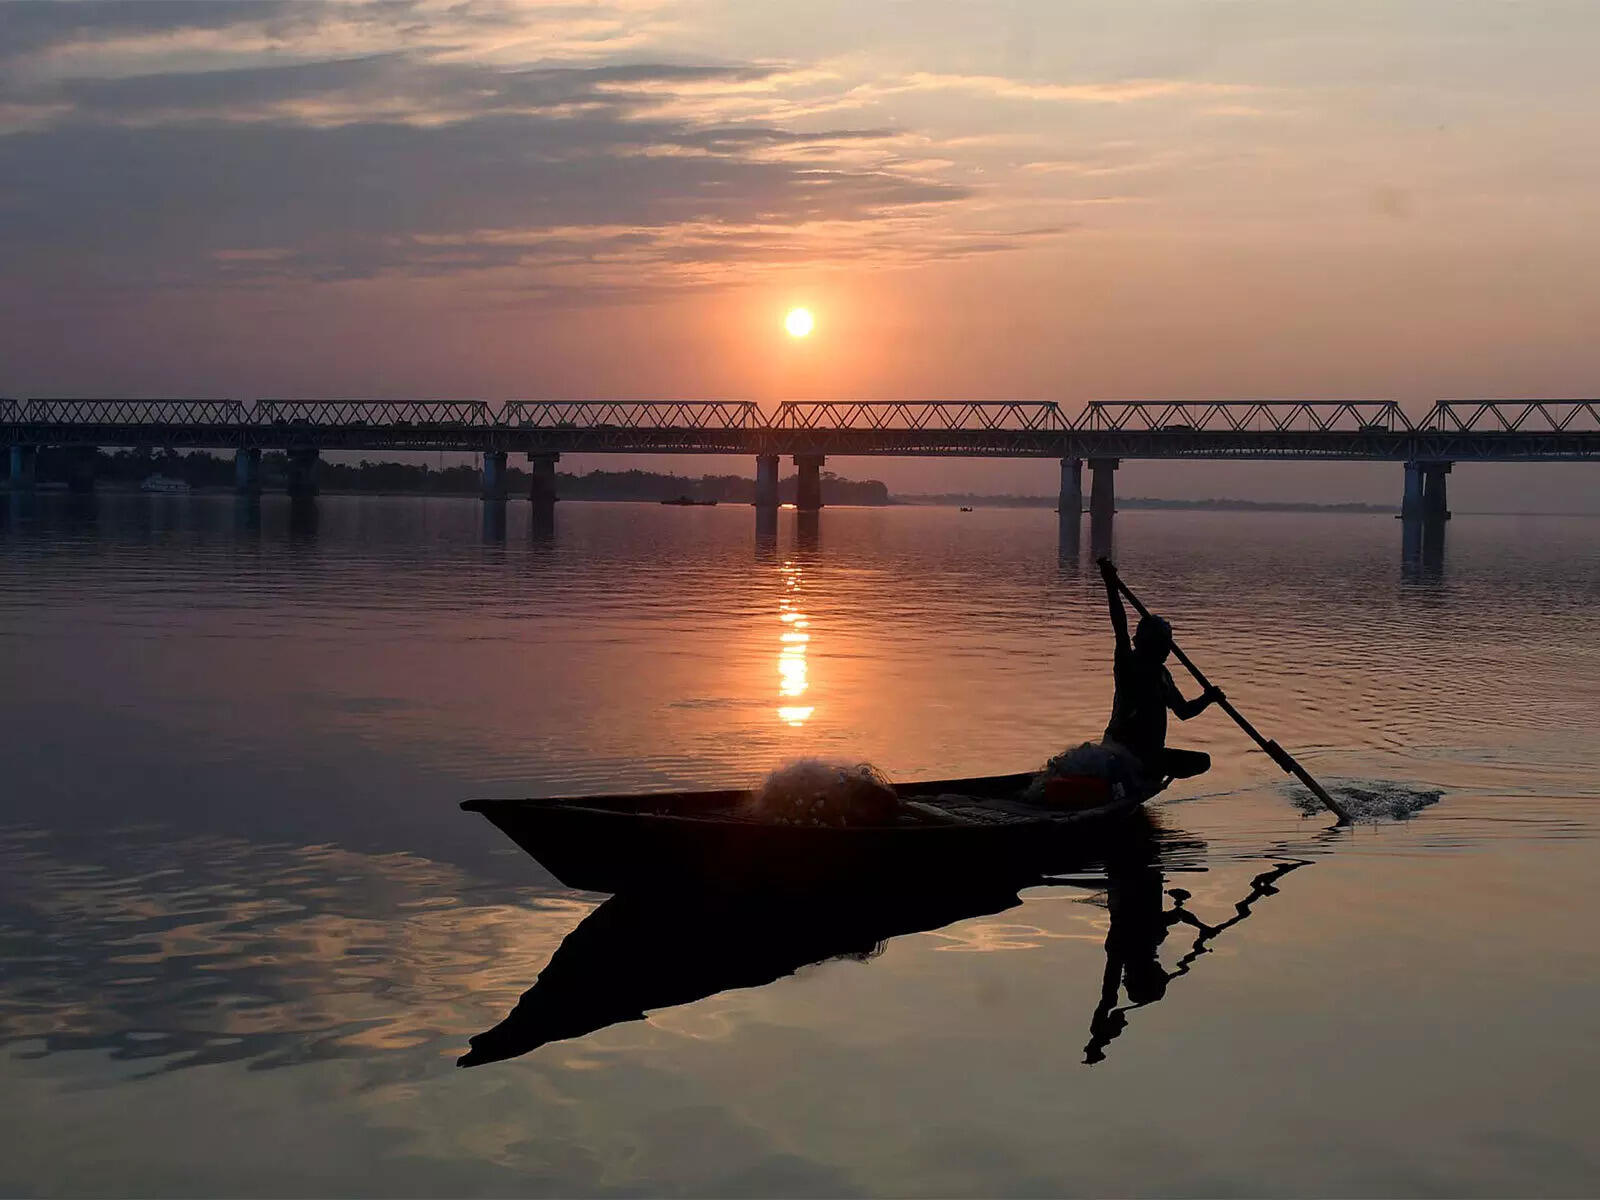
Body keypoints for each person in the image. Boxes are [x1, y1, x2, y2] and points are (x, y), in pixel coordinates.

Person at [1097, 557, 1222, 785]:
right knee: (1181, 761)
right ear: (1148, 645)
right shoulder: (1128, 665)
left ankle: (1149, 771)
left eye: (1167, 647)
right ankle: (1144, 773)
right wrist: (1110, 585)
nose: (1166, 652)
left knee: (1202, 761)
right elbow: (1120, 627)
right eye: (1162, 647)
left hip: (1149, 753)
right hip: (1122, 750)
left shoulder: (1162, 675)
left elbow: (1183, 711)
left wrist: (1208, 698)